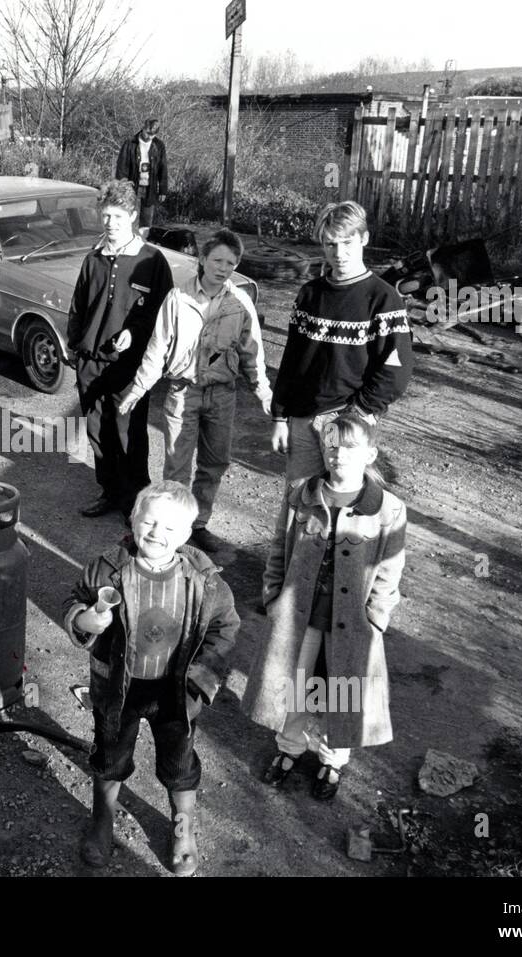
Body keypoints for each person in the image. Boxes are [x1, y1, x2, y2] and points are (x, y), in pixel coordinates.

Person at [63, 481, 240, 875]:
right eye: (150, 521)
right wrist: (85, 619)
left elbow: (225, 628)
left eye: (171, 528)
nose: (158, 534)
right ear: (133, 518)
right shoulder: (107, 568)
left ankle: (183, 827)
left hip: (176, 690)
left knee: (179, 761)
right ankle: (103, 820)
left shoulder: (204, 579)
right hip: (117, 687)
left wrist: (201, 679)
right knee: (110, 754)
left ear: (188, 533)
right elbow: (74, 599)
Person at [244, 413, 406, 801]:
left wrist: (376, 619)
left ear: (370, 453)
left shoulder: (388, 509)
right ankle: (289, 750)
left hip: (353, 624)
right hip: (300, 616)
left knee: (342, 690)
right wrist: (272, 596)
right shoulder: (301, 494)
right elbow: (278, 550)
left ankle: (332, 759)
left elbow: (389, 570)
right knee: (297, 685)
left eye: (350, 446)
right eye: (331, 444)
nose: (338, 454)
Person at [117, 229, 272, 556]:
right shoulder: (177, 299)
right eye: (217, 260)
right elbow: (158, 350)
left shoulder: (239, 303)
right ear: (202, 260)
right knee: (176, 468)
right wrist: (138, 388)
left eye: (231, 263)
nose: (223, 268)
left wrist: (263, 392)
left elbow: (251, 353)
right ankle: (169, 533)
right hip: (182, 393)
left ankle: (197, 526)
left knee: (215, 463)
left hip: (222, 396)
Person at [270, 201, 412, 484]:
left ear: (364, 239)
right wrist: (279, 416)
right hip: (302, 417)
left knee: (341, 497)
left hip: (343, 418)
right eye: (331, 244)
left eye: (348, 242)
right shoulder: (310, 295)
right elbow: (292, 359)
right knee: (301, 496)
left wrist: (358, 412)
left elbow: (396, 370)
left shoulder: (383, 299)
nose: (340, 253)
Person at [65, 179, 174, 522]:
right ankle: (109, 492)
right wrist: (75, 348)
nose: (109, 223)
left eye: (117, 216)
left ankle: (135, 501)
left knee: (129, 434)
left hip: (130, 367)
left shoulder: (152, 261)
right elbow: (78, 307)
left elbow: (164, 314)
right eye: (105, 216)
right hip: (92, 363)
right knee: (99, 432)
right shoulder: (94, 259)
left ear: (132, 216)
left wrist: (134, 332)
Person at [115, 118, 167, 234]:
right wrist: (121, 187)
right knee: (129, 217)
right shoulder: (130, 143)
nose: (149, 137)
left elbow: (163, 168)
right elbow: (121, 167)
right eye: (148, 133)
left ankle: (143, 244)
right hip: (131, 186)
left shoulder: (159, 145)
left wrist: (163, 190)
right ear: (143, 128)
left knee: (146, 222)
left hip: (150, 187)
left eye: (153, 135)